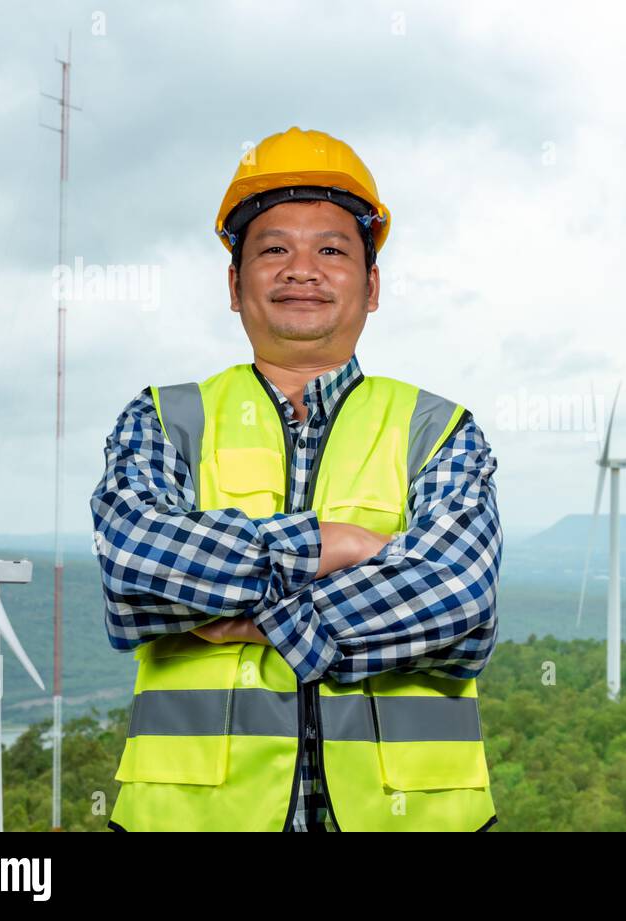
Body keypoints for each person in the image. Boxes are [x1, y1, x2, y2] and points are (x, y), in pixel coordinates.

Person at [90, 127, 501, 831]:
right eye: (274, 249)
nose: (302, 271)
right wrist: (333, 545)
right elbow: (135, 569)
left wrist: (247, 615)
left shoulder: (438, 429)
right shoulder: (164, 418)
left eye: (331, 251)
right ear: (234, 284)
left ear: (372, 286)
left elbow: (458, 606)